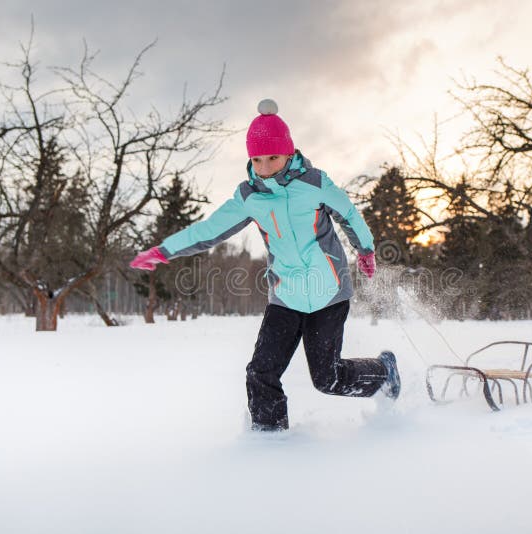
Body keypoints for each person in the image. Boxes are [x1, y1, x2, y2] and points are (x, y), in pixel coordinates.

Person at [130, 99, 401, 432]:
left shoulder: (314, 183)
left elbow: (349, 214)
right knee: (261, 373)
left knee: (327, 379)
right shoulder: (249, 197)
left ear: (289, 153)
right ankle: (268, 441)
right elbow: (209, 230)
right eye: (257, 159)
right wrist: (164, 250)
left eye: (273, 157)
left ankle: (384, 372)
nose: (266, 166)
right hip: (285, 297)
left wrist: (366, 250)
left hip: (328, 293)